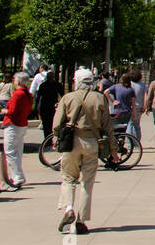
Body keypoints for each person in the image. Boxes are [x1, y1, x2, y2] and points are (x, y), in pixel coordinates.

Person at [53, 68, 120, 233]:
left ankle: (69, 208)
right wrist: (113, 150)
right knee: (87, 182)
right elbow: (107, 126)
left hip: (71, 142)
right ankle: (81, 220)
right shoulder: (99, 99)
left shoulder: (68, 98)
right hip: (92, 142)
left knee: (68, 178)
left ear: (77, 81)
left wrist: (57, 137)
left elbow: (56, 124)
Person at [1, 72, 33, 188]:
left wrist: (4, 111)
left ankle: (17, 177)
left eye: (14, 79)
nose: (14, 81)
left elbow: (11, 111)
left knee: (10, 151)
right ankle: (18, 175)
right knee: (18, 151)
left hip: (13, 124)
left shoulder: (17, 94)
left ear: (18, 81)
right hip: (22, 124)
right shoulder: (28, 94)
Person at [35, 67, 63, 140]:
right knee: (51, 123)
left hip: (46, 106)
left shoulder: (43, 85)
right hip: (50, 106)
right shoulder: (56, 84)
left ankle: (47, 138)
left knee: (46, 124)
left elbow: (38, 97)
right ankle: (50, 138)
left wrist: (36, 107)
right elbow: (62, 95)